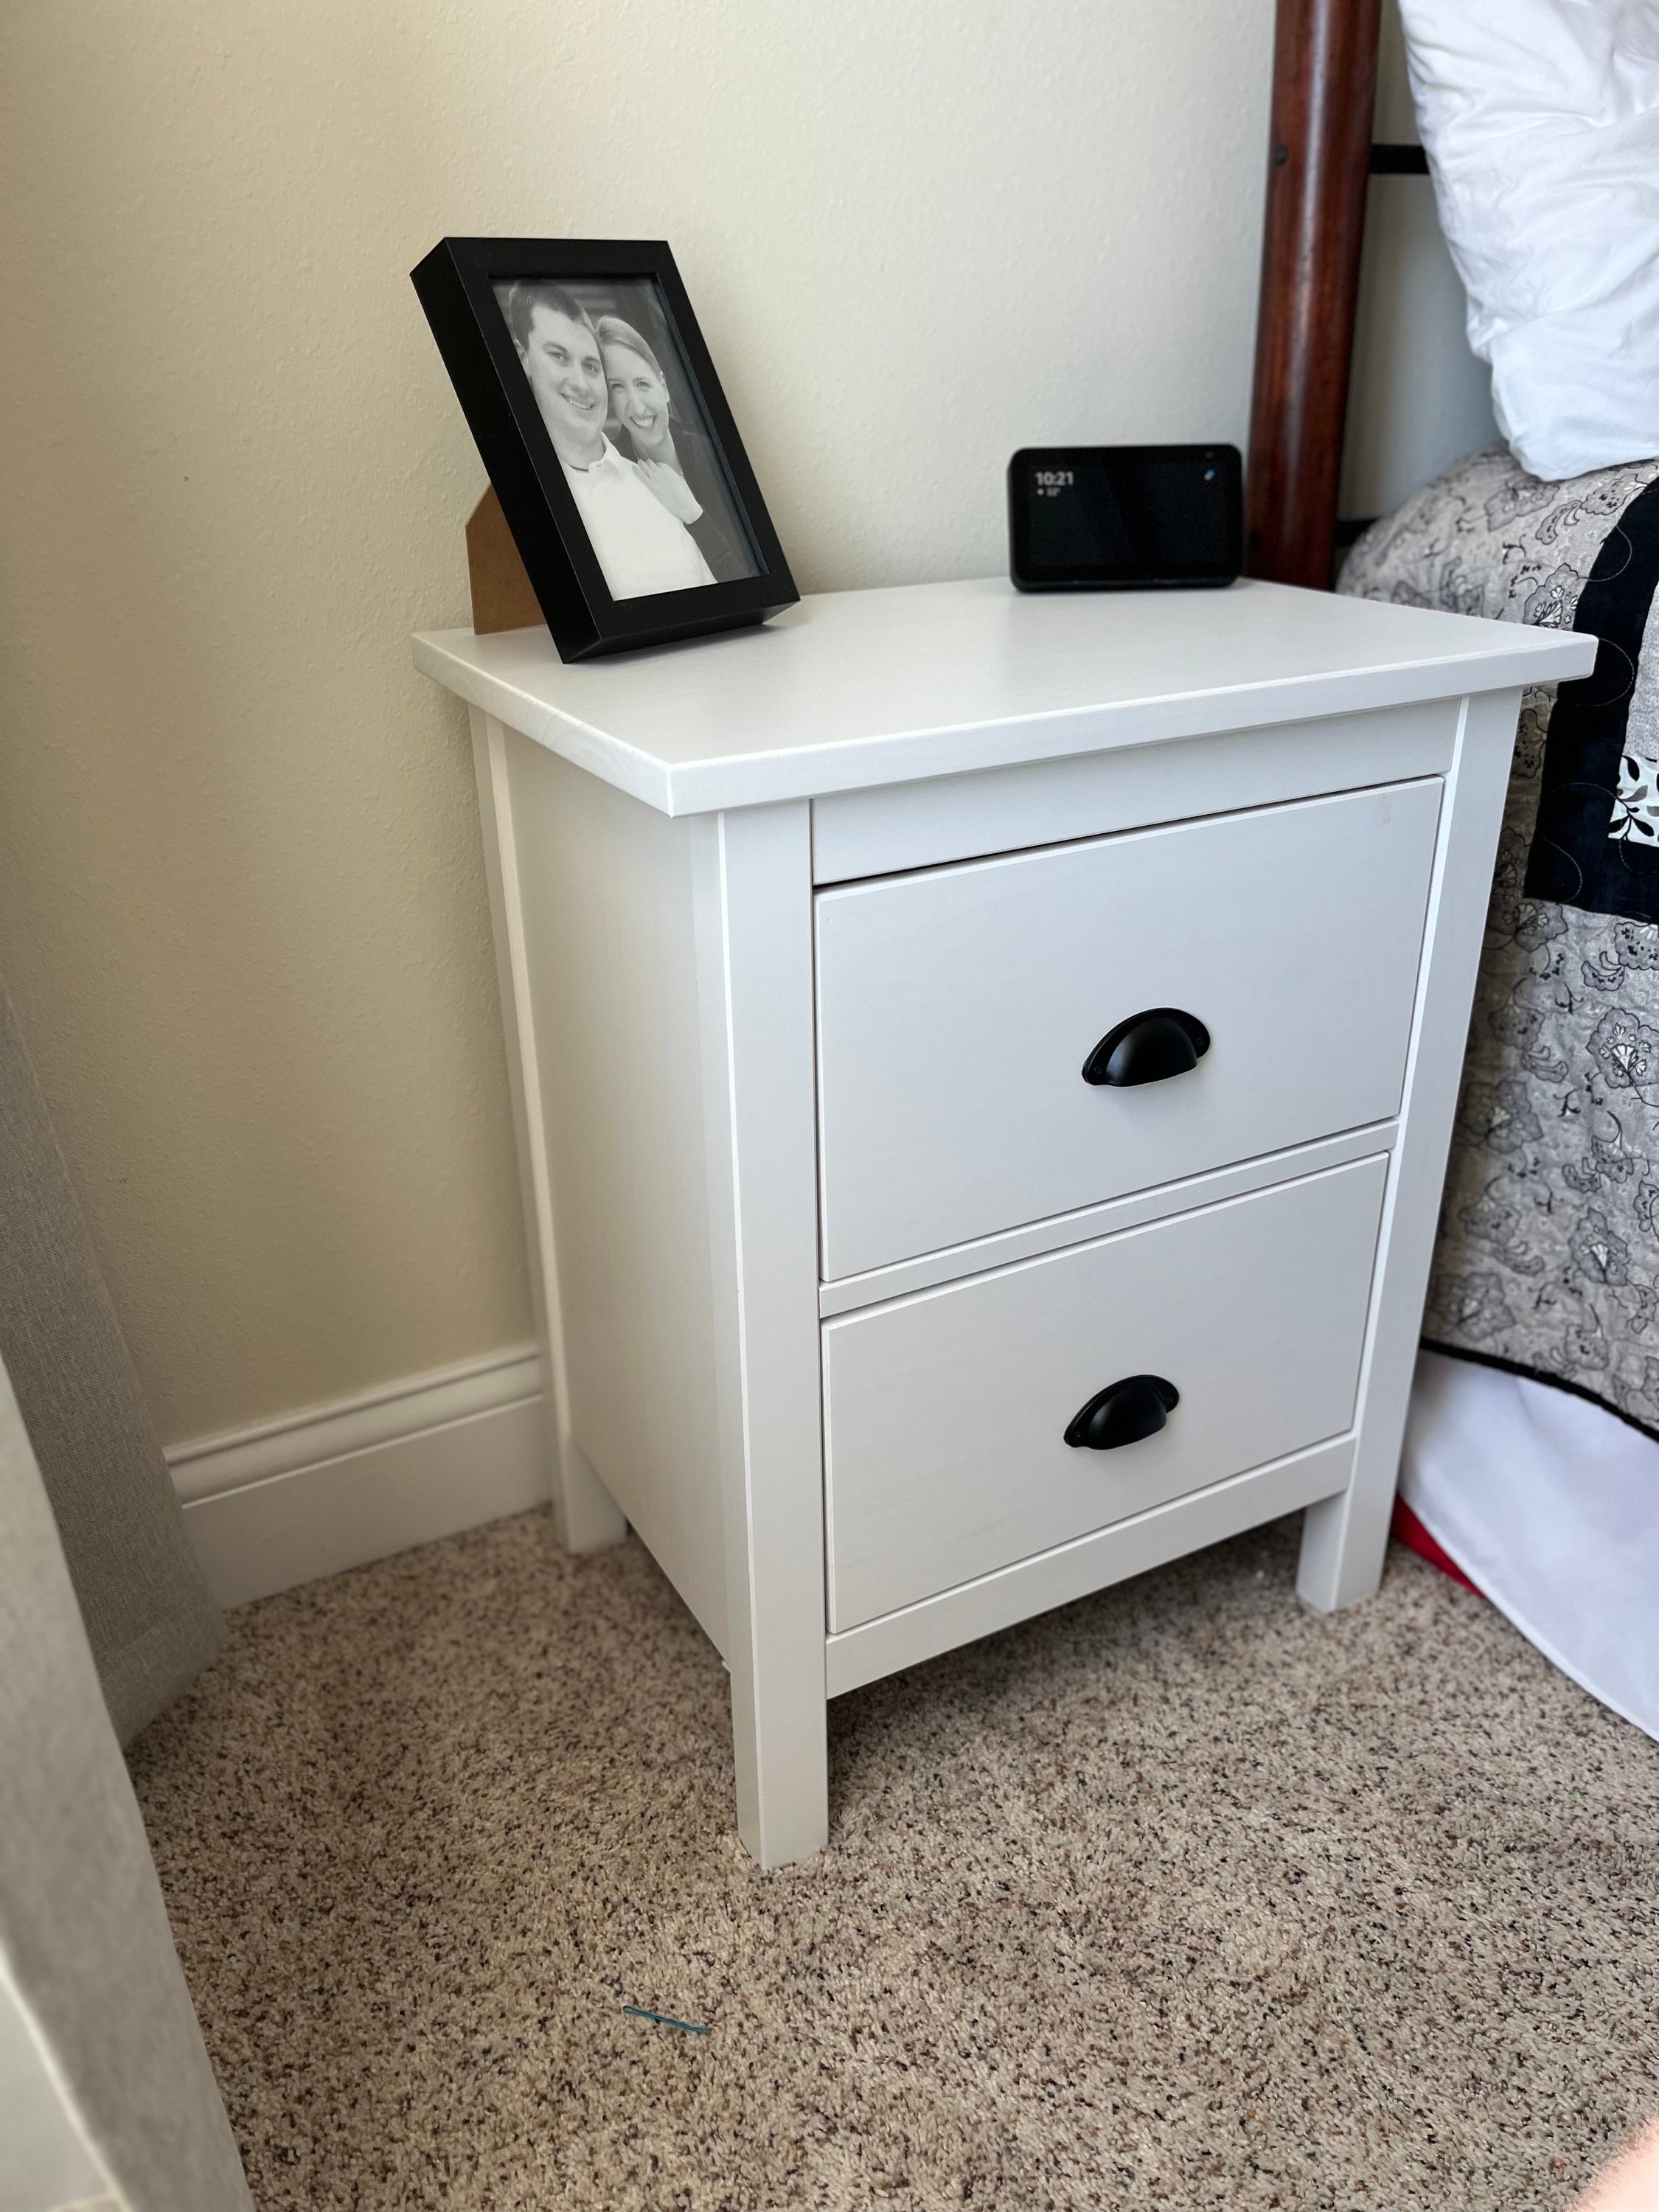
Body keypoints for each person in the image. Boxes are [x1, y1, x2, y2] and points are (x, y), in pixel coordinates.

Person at [499, 282, 714, 600]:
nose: (582, 384)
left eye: (591, 366)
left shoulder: (660, 488)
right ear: (524, 359)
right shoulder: (525, 497)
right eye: (558, 356)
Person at [596, 313, 754, 583]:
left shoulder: (716, 458)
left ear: (664, 387)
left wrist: (693, 514)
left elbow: (749, 582)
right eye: (618, 388)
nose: (637, 406)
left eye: (642, 383)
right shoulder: (609, 475)